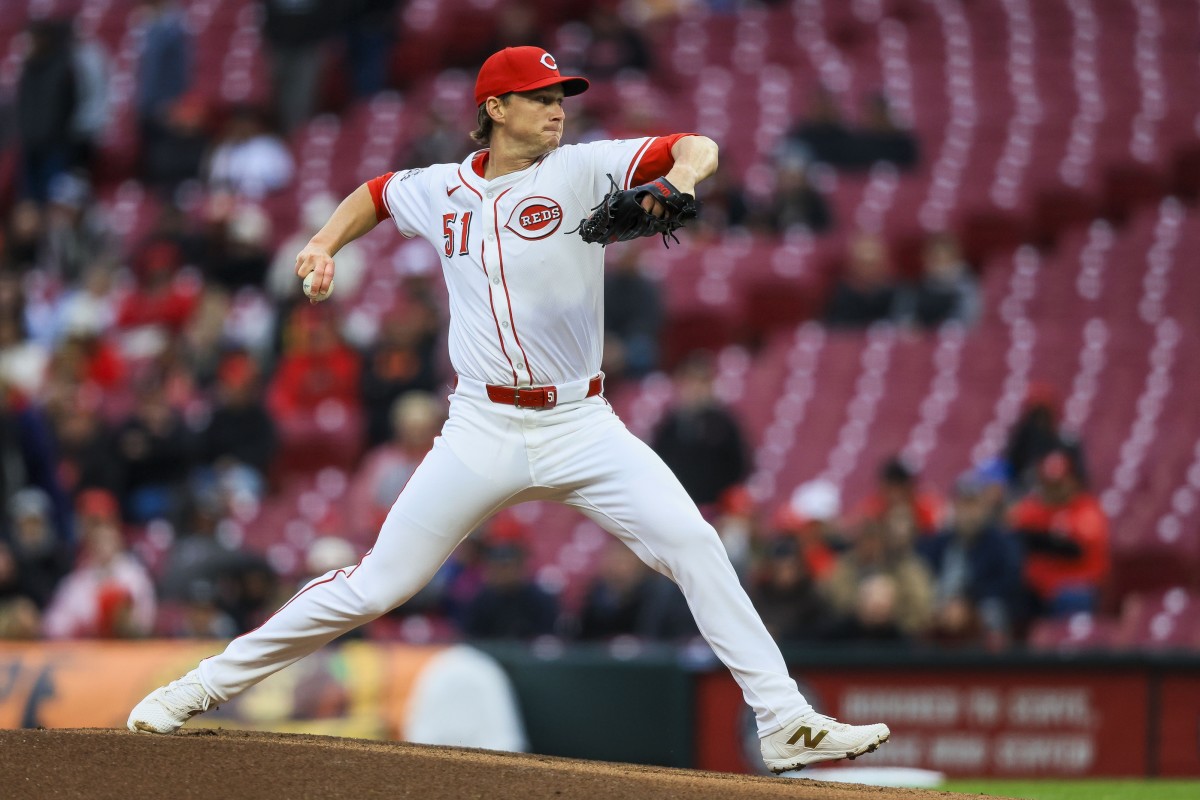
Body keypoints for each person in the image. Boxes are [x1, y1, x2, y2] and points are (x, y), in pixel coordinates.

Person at [127, 45, 889, 773]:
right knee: (374, 588)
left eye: (562, 97)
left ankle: (782, 718)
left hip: (581, 424)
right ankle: (195, 689)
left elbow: (700, 144)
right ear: (495, 107)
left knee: (693, 543)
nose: (558, 110)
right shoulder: (441, 187)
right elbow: (377, 194)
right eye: (542, 98)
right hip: (481, 427)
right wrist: (324, 243)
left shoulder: (585, 168)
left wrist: (682, 183)